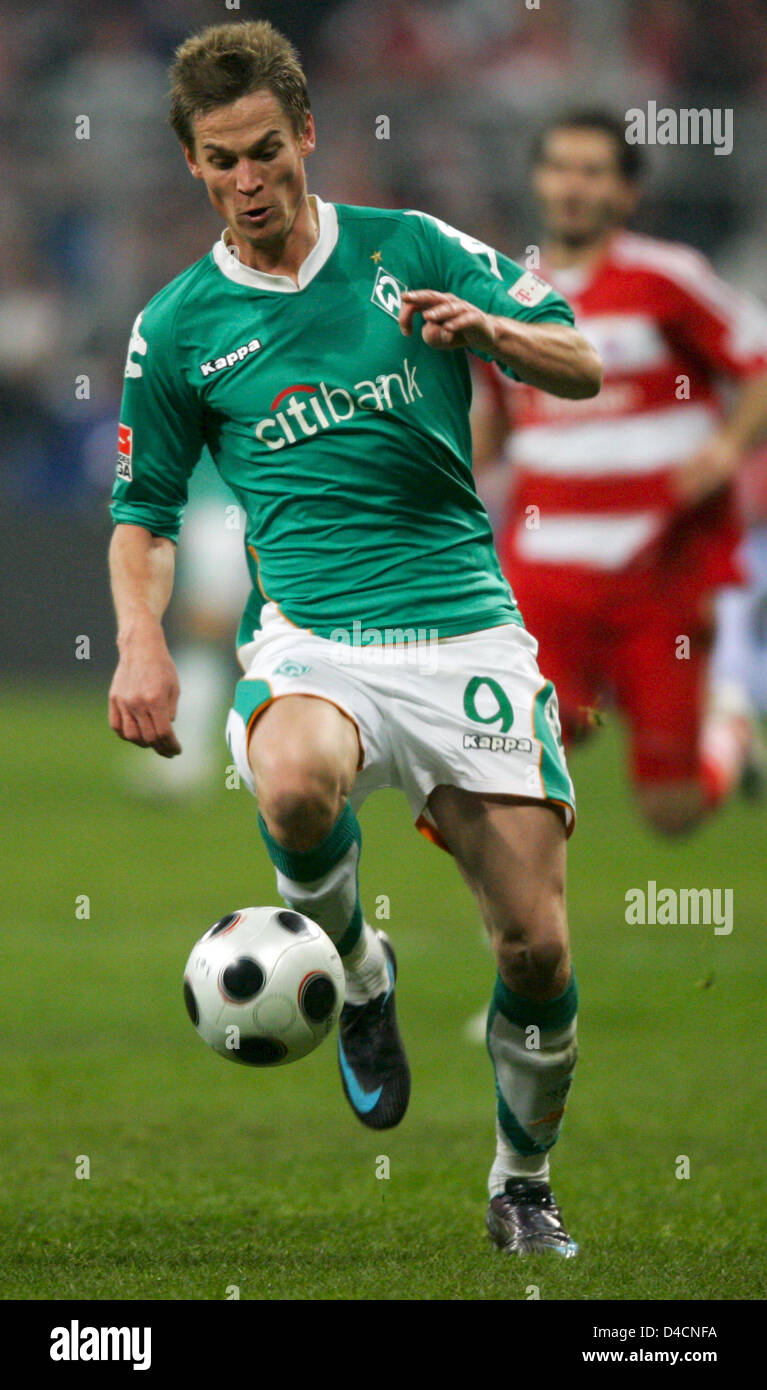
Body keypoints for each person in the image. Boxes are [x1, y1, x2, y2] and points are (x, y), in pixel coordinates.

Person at [107, 21, 601, 1257]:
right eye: (221, 161)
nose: (248, 180)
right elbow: (143, 515)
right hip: (315, 638)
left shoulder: (411, 250)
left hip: (467, 635)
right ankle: (357, 968)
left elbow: (580, 356)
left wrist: (498, 338)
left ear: (307, 134)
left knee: (533, 946)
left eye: (266, 150)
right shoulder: (174, 330)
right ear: (192, 164)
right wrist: (140, 642)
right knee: (288, 781)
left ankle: (520, 1182)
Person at [472, 111, 767, 835]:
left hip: (657, 570)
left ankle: (726, 731)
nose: (573, 186)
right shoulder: (501, 295)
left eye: (592, 171)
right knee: (517, 783)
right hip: (543, 574)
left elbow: (757, 363)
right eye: (560, 167)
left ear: (625, 191)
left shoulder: (667, 279)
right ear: (538, 181)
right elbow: (495, 423)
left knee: (670, 813)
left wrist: (728, 447)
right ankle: (529, 943)